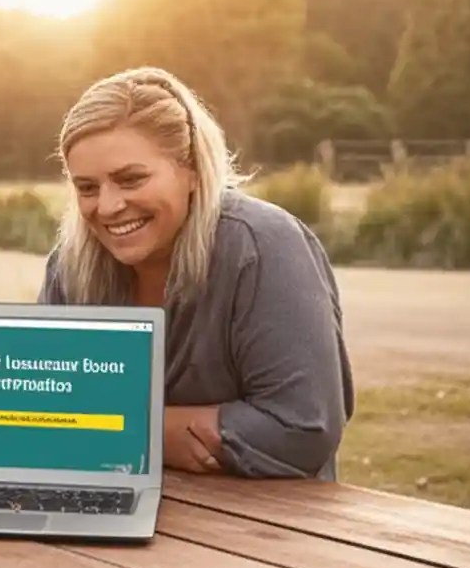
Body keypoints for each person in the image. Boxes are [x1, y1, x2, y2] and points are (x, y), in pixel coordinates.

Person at [38, 66, 354, 481]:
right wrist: (192, 434)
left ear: (190, 170)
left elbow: (301, 430)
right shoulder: (71, 264)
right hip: (110, 512)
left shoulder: (261, 247)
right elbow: (43, 414)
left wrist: (122, 429)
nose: (109, 206)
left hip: (264, 530)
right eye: (87, 188)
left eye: (131, 179)